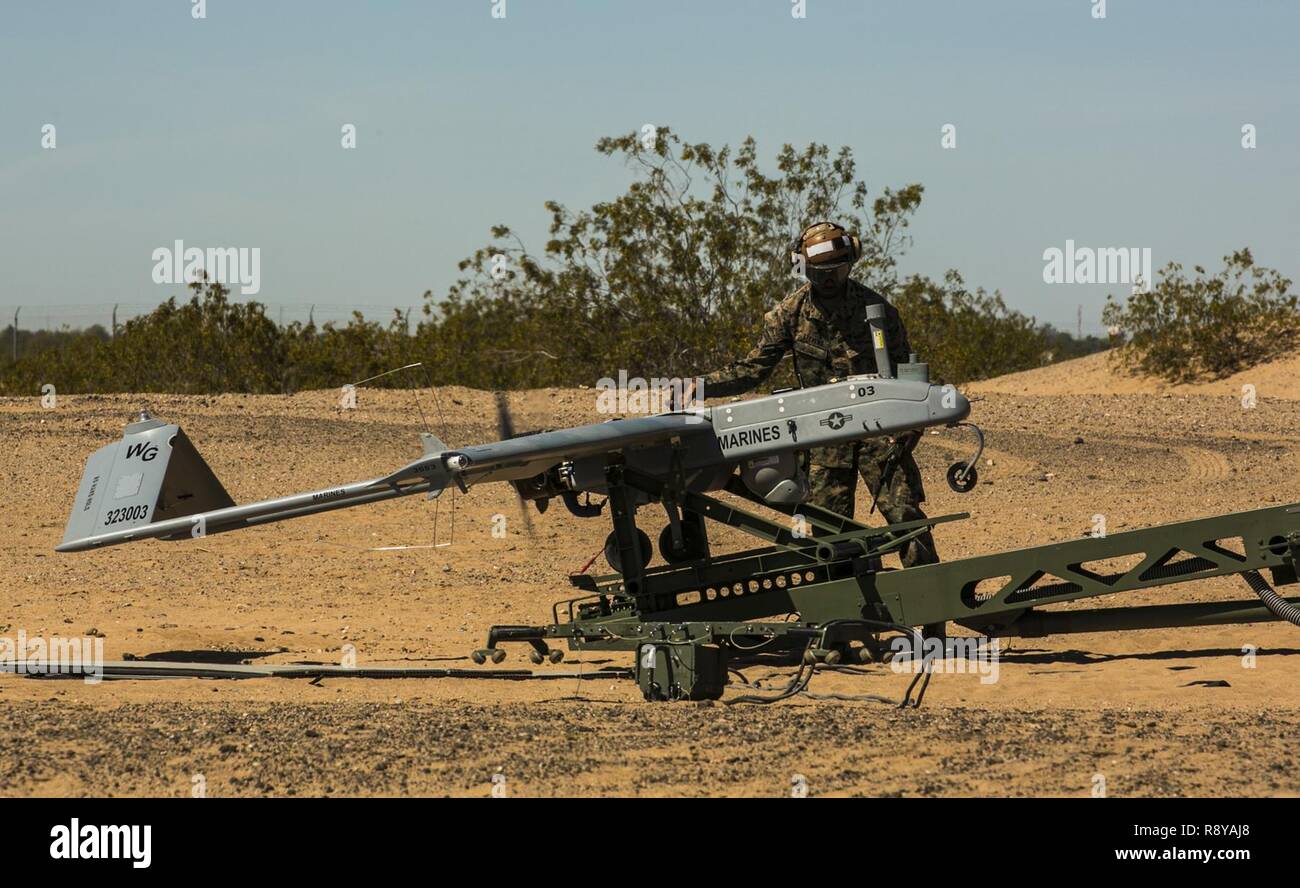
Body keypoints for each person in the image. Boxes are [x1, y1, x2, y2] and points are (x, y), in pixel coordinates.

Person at [689, 221, 939, 571]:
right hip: (823, 439)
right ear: (802, 267)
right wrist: (700, 385)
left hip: (881, 436)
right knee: (828, 535)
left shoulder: (879, 312)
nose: (829, 279)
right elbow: (753, 369)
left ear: (851, 261)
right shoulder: (789, 314)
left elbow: (904, 373)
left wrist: (914, 422)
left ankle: (931, 603)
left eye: (836, 269)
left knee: (906, 517)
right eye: (819, 271)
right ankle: (846, 616)